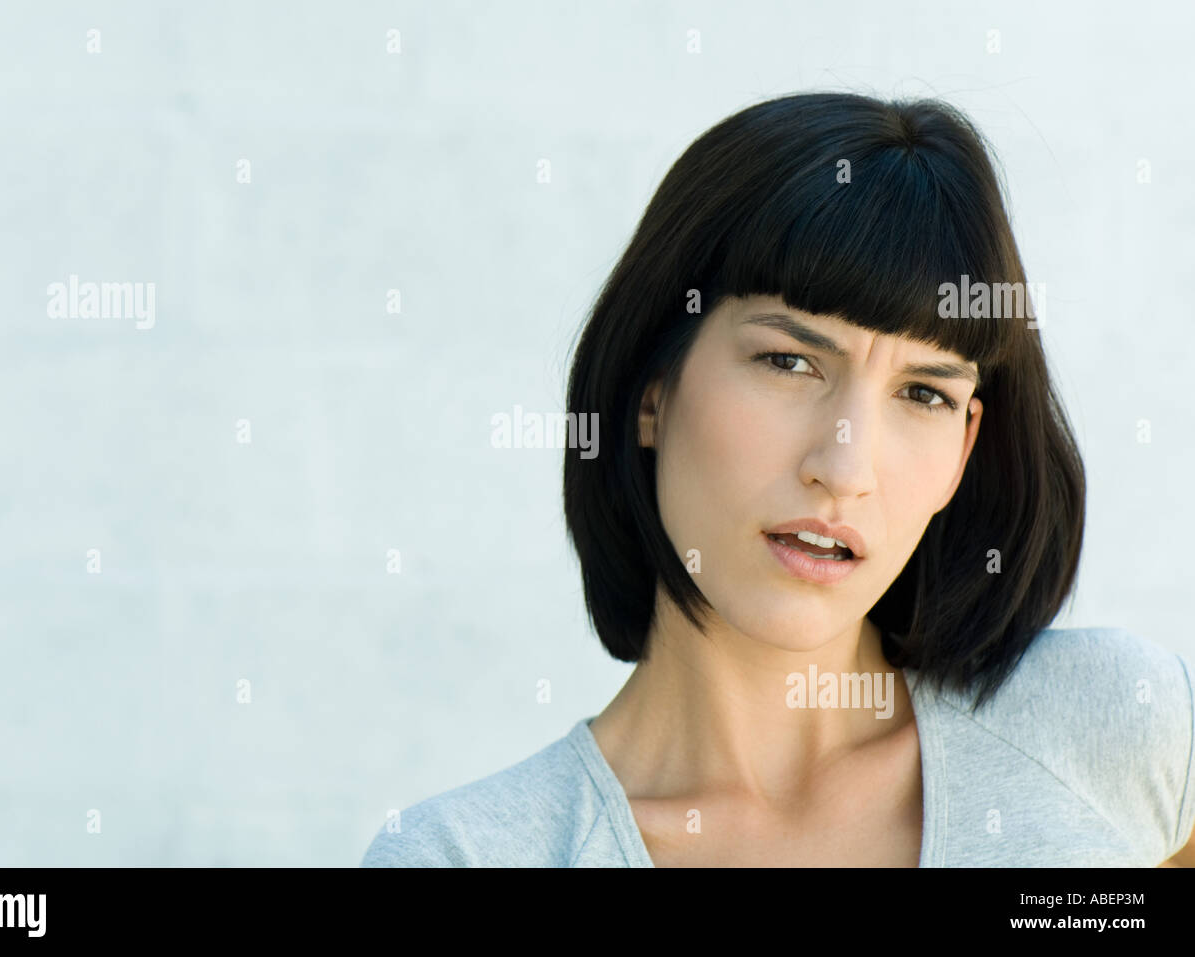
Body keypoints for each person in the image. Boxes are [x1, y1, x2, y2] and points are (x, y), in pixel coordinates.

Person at [360, 92, 1195, 867]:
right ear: (652, 389)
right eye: (789, 360)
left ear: (966, 447)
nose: (844, 468)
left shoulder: (1117, 729)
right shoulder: (466, 854)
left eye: (922, 393)